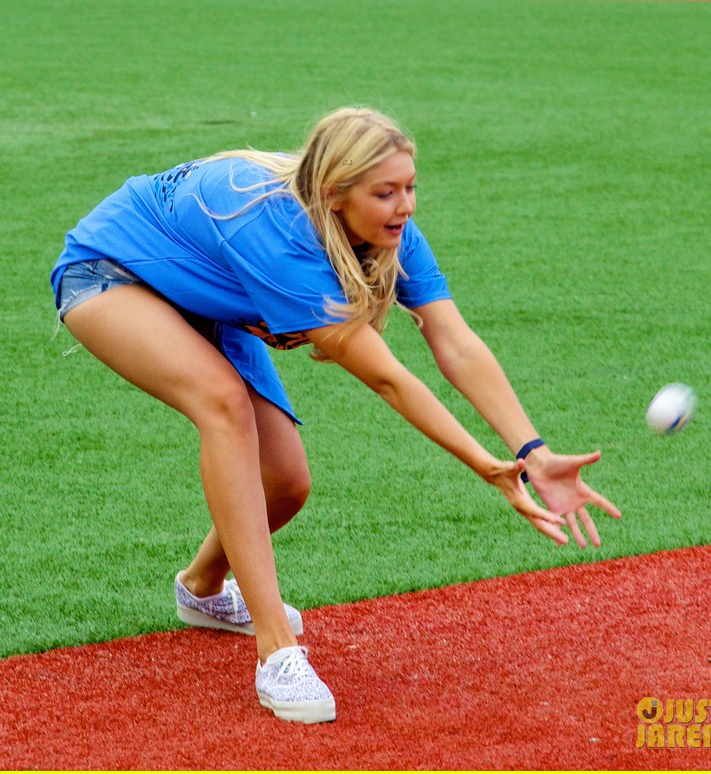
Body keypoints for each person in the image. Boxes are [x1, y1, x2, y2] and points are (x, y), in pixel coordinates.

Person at [51, 106, 621, 725]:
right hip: (113, 274)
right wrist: (485, 464)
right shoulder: (270, 227)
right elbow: (385, 375)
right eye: (385, 192)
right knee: (223, 405)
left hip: (210, 293)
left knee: (287, 483)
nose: (404, 206)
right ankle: (276, 651)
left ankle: (203, 591)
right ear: (334, 194)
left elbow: (453, 339)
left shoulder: (391, 232)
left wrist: (532, 452)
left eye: (410, 187)